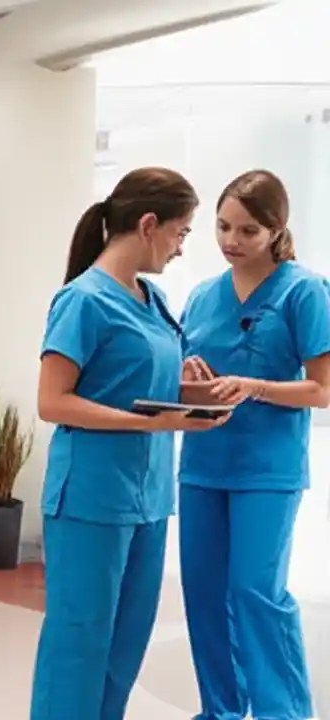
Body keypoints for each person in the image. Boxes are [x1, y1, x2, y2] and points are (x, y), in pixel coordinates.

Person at [29, 167, 231, 720]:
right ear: (148, 225)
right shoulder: (82, 300)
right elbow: (54, 401)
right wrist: (151, 423)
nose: (182, 247)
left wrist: (189, 386)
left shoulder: (154, 297)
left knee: (125, 646)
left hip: (148, 498)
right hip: (91, 499)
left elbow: (141, 381)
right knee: (80, 642)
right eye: (181, 233)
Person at [176, 170, 329, 720]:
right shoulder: (201, 296)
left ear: (275, 231)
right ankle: (219, 710)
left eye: (246, 230)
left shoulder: (303, 292)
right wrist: (188, 371)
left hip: (267, 470)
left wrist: (256, 387)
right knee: (205, 596)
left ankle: (282, 712)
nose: (230, 241)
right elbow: (186, 366)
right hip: (201, 466)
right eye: (221, 227)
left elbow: (323, 389)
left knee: (255, 594)